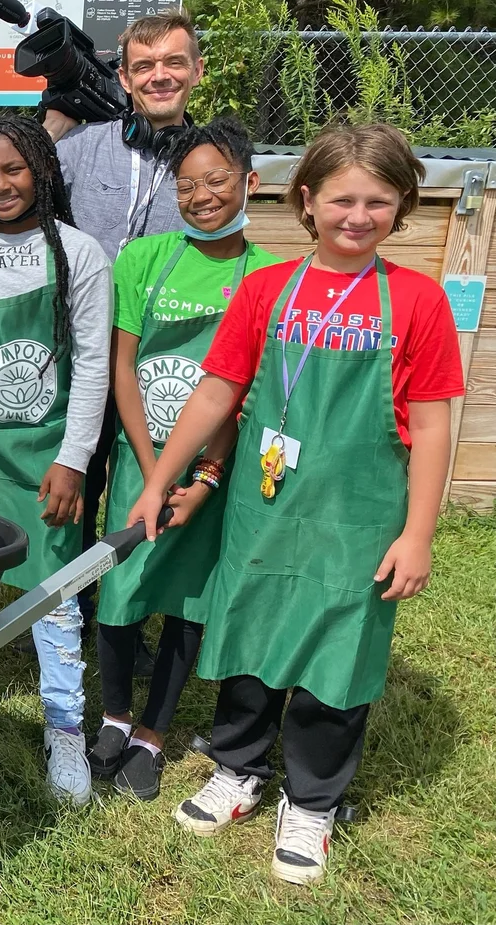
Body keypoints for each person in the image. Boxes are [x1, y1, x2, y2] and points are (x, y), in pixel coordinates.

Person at [129, 124, 463, 885]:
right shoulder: (266, 289)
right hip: (266, 503)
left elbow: (433, 424)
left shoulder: (419, 300)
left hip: (358, 514)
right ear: (307, 201)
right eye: (342, 199)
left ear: (402, 206)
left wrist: (418, 532)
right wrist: (159, 479)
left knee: (339, 648)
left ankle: (312, 798)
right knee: (250, 625)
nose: (359, 216)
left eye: (378, 201)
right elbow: (217, 391)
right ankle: (237, 765)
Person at [90, 117, 280, 801]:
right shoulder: (144, 259)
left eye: (217, 180)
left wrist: (202, 478)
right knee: (121, 590)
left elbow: (241, 390)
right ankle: (114, 715)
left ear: (249, 181)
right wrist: (153, 471)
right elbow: (123, 365)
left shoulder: (267, 276)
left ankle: (152, 733)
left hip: (213, 471)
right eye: (187, 185)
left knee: (187, 599)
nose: (202, 196)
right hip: (140, 456)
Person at [0, 115, 111, 803]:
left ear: (43, 168)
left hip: (43, 453)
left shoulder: (79, 252)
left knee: (53, 592)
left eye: (14, 168)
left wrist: (74, 458)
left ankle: (64, 726)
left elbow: (91, 363)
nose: (1, 184)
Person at [47, 9, 207, 659]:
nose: (159, 76)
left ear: (196, 70)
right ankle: (69, 605)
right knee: (79, 479)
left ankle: (130, 612)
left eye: (173, 62)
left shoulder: (210, 158)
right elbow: (16, 186)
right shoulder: (84, 146)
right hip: (81, 350)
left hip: (159, 357)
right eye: (144, 66)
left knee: (150, 480)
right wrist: (52, 123)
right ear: (124, 77)